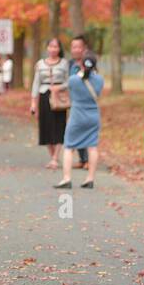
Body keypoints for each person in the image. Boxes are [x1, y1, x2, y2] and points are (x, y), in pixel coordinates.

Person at [56, 35, 104, 190]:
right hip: (93, 116)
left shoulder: (73, 80)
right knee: (92, 146)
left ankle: (67, 178)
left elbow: (68, 88)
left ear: (82, 64)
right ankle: (90, 178)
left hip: (77, 115)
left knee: (69, 146)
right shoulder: (100, 80)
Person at [31, 38, 70, 170]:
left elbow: (69, 81)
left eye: (56, 47)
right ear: (47, 48)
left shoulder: (64, 64)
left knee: (59, 125)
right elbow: (36, 83)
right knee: (45, 126)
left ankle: (55, 158)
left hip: (59, 96)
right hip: (44, 95)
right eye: (51, 46)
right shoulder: (40, 64)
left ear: (59, 49)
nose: (53, 49)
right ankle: (53, 156)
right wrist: (33, 103)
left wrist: (59, 88)